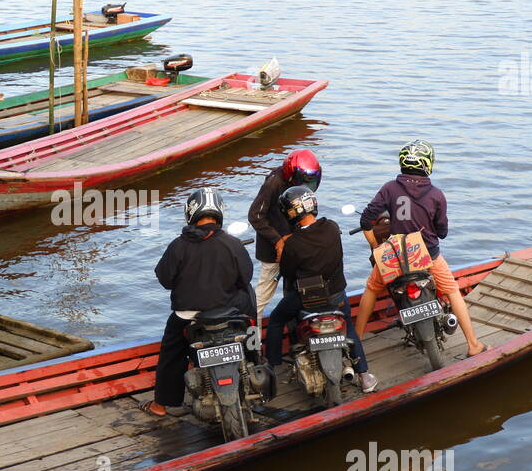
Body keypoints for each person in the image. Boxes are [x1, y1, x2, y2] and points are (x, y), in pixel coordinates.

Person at [353, 140, 487, 357]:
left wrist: (377, 248)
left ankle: (357, 343)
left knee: (371, 288)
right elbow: (442, 231)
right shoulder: (436, 195)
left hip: (395, 255)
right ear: (428, 164)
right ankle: (473, 344)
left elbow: (366, 220)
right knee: (452, 291)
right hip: (428, 256)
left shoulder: (390, 188)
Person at [146, 188, 256, 417]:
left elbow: (165, 279)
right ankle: (255, 358)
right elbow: (246, 276)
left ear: (191, 213)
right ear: (218, 212)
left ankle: (160, 405)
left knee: (172, 353)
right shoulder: (232, 243)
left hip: (189, 317)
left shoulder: (178, 245)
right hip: (229, 312)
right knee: (250, 303)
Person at [267, 186, 378, 393]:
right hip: (336, 296)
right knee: (350, 328)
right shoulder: (333, 228)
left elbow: (288, 274)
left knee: (275, 320)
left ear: (289, 214)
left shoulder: (293, 244)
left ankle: (272, 368)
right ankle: (364, 375)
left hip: (306, 300)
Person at [248, 149, 321, 320]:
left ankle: (297, 331)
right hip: (273, 250)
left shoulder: (302, 188)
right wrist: (278, 240)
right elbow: (255, 215)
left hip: (296, 246)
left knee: (297, 291)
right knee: (262, 296)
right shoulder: (273, 183)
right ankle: (253, 339)